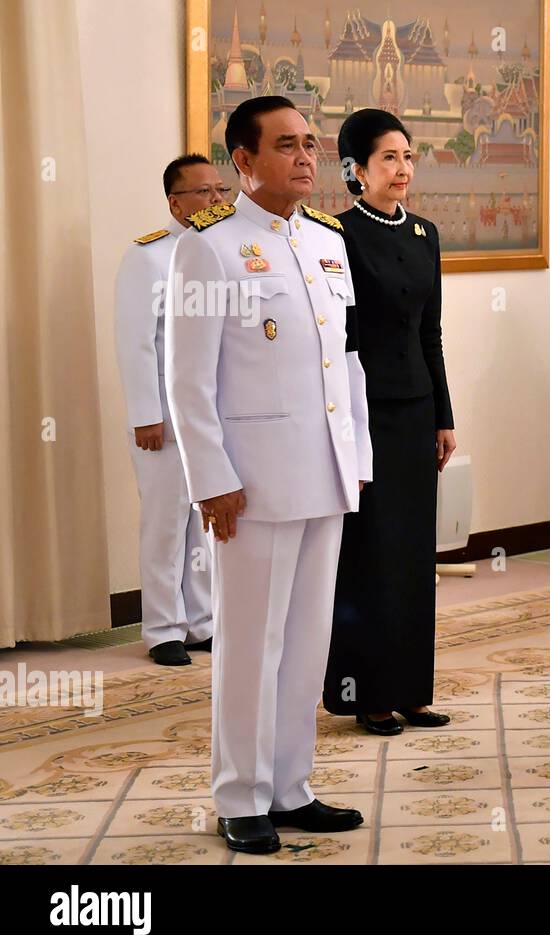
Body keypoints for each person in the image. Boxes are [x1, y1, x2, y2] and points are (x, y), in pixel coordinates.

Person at [166, 96, 372, 853]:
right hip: (248, 484)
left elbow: (343, 360)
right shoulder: (209, 247)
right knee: (251, 644)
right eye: (287, 145)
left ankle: (291, 786)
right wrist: (209, 477)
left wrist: (359, 461)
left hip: (324, 472)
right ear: (244, 162)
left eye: (311, 144)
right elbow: (186, 378)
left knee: (307, 639)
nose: (306, 157)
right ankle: (240, 795)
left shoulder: (326, 240)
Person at [317, 109, 455, 736]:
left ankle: (411, 689)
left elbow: (433, 333)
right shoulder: (335, 235)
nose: (402, 170)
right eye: (388, 159)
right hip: (360, 410)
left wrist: (444, 416)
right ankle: (366, 691)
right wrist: (342, 422)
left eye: (408, 157)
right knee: (368, 553)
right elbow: (337, 339)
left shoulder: (425, 233)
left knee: (411, 554)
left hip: (416, 409)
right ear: (355, 169)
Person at [114, 155, 224, 667]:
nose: (214, 201)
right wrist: (145, 414)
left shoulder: (220, 251)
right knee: (164, 521)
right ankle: (162, 627)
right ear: (175, 202)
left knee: (205, 518)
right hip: (162, 414)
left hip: (210, 414)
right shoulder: (149, 257)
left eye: (219, 191)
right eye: (202, 193)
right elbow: (135, 342)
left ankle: (201, 622)